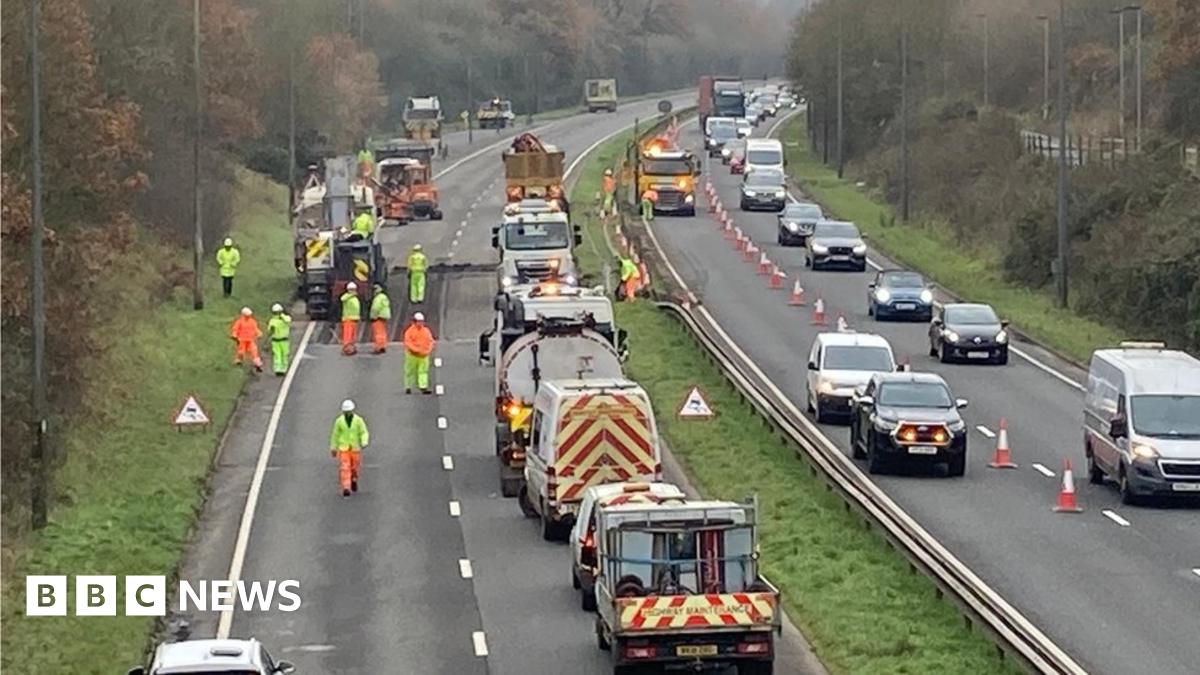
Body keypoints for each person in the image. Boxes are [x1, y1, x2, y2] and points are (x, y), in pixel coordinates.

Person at [329, 399, 370, 498]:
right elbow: (335, 435)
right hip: (343, 448)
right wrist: (333, 448)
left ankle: (354, 479)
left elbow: (364, 431)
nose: (347, 413)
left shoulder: (358, 420)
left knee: (355, 467)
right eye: (346, 412)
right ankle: (346, 487)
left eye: (349, 411)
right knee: (345, 467)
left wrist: (364, 441)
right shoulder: (339, 421)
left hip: (355, 448)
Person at [402, 312, 436, 394]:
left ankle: (423, 387)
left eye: (422, 321)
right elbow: (407, 343)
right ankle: (408, 386)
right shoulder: (409, 332)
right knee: (410, 371)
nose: (421, 323)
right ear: (414, 322)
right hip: (412, 355)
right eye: (419, 321)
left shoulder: (426, 331)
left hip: (424, 355)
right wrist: (417, 350)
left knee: (423, 371)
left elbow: (431, 341)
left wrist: (428, 350)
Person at [229, 307, 263, 373]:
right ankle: (239, 361)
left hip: (250, 340)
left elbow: (255, 329)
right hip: (242, 340)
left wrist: (259, 333)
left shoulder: (252, 321)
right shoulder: (239, 322)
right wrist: (234, 335)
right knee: (241, 351)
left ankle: (257, 364)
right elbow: (235, 329)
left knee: (254, 351)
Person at [267, 303, 292, 376]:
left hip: (284, 340)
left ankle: (283, 369)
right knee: (277, 355)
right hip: (275, 340)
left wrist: (282, 316)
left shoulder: (285, 319)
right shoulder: (272, 320)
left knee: (284, 355)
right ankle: (278, 370)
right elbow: (270, 330)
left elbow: (288, 320)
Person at [368, 284, 391, 354]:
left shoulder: (377, 298)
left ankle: (378, 347)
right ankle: (382, 346)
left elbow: (375, 308)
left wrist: (373, 317)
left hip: (378, 317)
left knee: (377, 333)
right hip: (384, 316)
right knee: (382, 332)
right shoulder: (384, 297)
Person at [340, 282, 361, 355]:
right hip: (348, 319)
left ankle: (351, 347)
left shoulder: (354, 298)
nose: (353, 291)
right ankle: (347, 349)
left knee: (352, 335)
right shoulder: (347, 297)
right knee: (348, 335)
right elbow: (343, 299)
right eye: (352, 289)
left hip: (354, 319)